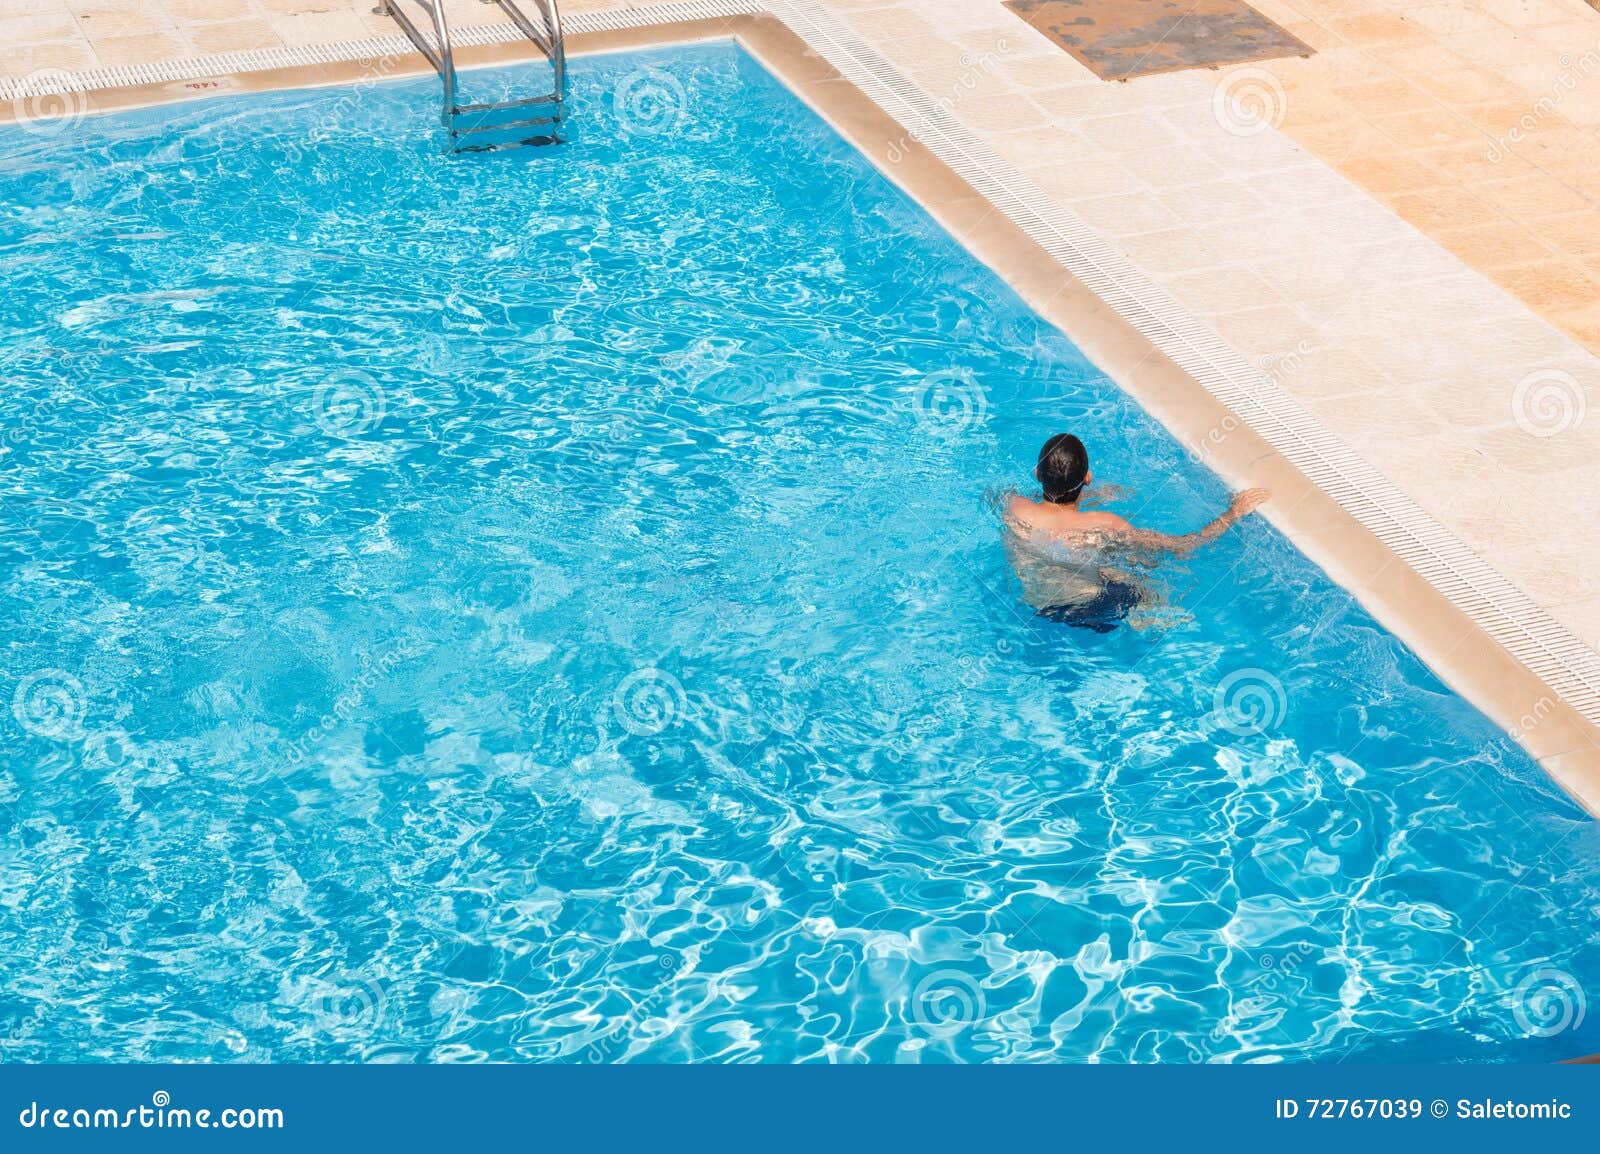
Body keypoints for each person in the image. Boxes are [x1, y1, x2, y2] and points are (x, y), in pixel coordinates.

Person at [1004, 433, 1270, 631]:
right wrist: (1232, 513)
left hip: (1036, 606)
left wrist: (1091, 497)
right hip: (1092, 611)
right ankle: (1154, 620)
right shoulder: (1106, 525)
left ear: (1037, 474)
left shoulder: (1013, 506)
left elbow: (1054, 512)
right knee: (1140, 573)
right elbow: (1184, 546)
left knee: (1093, 565)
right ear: (1088, 478)